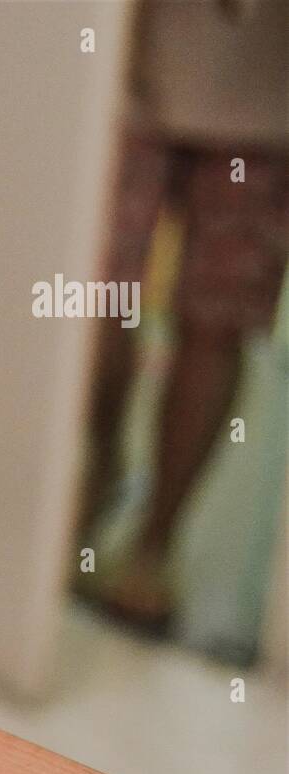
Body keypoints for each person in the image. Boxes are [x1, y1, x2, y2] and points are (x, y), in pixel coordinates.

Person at [78, 0, 288, 632]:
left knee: (214, 325)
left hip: (267, 100)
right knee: (92, 301)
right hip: (123, 72)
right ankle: (91, 481)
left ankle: (154, 544)